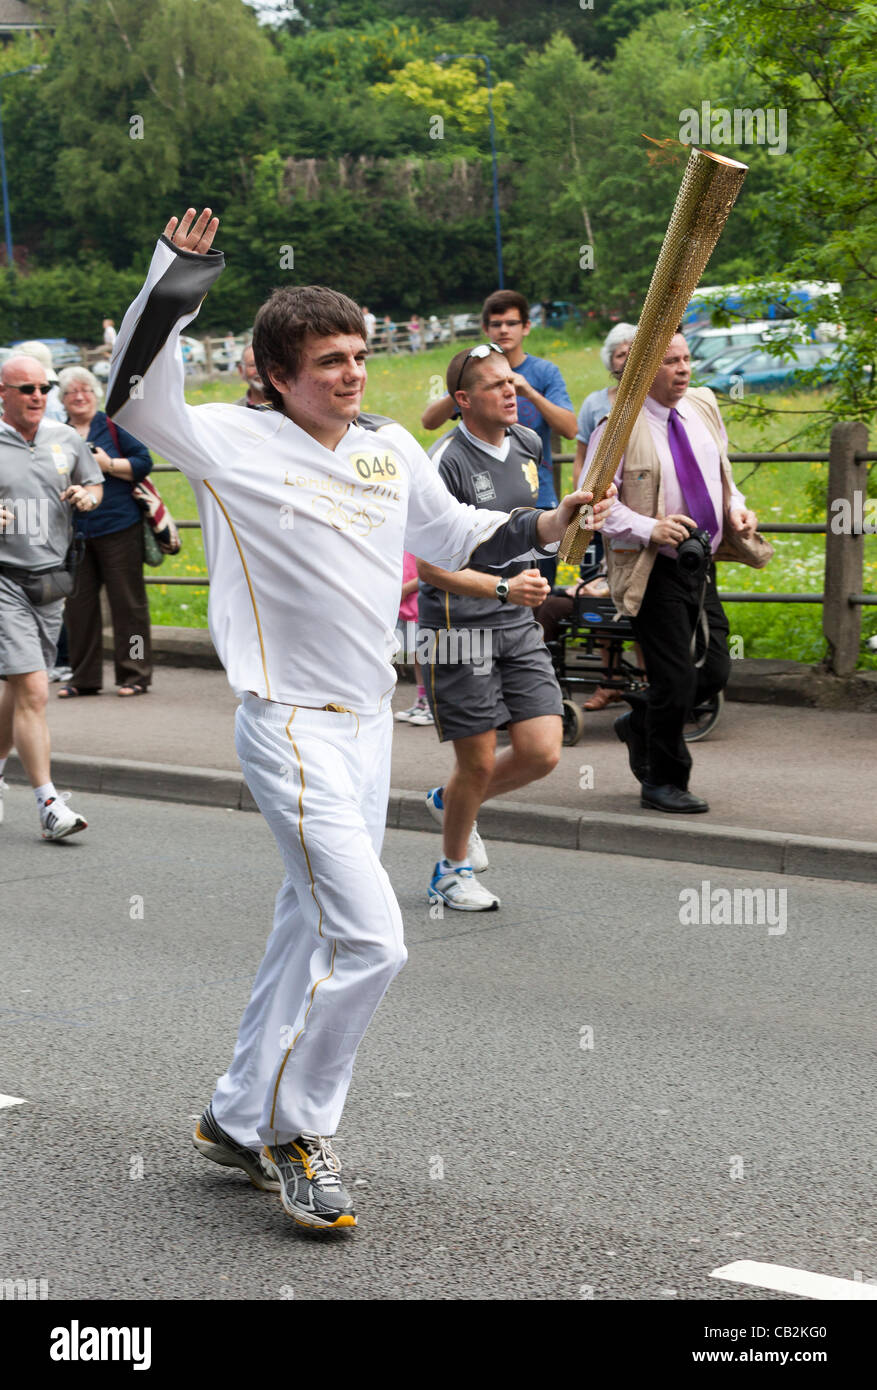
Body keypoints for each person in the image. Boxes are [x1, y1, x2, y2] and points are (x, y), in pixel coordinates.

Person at [107, 206, 608, 1231]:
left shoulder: (387, 448)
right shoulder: (221, 440)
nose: (351, 374)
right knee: (375, 940)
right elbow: (132, 380)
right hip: (285, 722)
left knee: (306, 927)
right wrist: (177, 272)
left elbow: (456, 527)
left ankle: (236, 1114)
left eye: (359, 355)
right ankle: (297, 1132)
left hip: (368, 719)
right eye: (328, 361)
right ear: (274, 373)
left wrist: (553, 521)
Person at [417, 342, 612, 911]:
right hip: (458, 623)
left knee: (542, 751)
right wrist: (502, 585)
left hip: (516, 617)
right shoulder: (444, 460)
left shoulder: (528, 443)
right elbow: (430, 565)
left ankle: (450, 801)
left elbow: (541, 524)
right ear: (463, 399)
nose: (511, 390)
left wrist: (579, 518)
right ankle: (450, 872)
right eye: (495, 384)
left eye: (513, 380)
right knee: (475, 761)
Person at [593, 331, 760, 814]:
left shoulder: (703, 406)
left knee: (714, 670)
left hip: (699, 563)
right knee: (675, 680)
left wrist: (737, 510)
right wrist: (650, 528)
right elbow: (597, 508)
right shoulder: (618, 427)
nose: (684, 369)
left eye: (687, 358)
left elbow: (722, 476)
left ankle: (640, 720)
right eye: (670, 361)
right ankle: (663, 781)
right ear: (644, 369)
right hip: (653, 570)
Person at [0, 355, 102, 838]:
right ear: (3, 393)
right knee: (36, 691)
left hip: (51, 581)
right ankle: (48, 805)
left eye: (45, 386)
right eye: (26, 388)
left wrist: (87, 496)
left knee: (18, 692)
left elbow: (94, 483)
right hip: (3, 582)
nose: (38, 395)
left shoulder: (65, 438)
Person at [421, 289, 578, 586]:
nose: (503, 330)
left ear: (526, 327)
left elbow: (570, 429)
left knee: (536, 590)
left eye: (511, 323)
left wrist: (527, 390)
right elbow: (428, 421)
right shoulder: (474, 372)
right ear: (485, 330)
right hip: (482, 506)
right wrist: (460, 387)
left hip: (536, 500)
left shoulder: (544, 372)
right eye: (496, 324)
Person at [56, 366, 154, 698]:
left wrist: (108, 464)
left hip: (118, 525)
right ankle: (83, 678)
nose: (79, 396)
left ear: (96, 394)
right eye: (71, 392)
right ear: (63, 400)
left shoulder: (112, 426)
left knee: (129, 606)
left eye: (85, 390)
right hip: (74, 533)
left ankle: (136, 674)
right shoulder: (57, 433)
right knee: (79, 608)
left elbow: (143, 461)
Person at [572, 322, 638, 712]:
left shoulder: (651, 400)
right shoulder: (596, 404)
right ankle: (609, 679)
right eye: (619, 352)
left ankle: (647, 679)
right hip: (597, 516)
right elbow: (582, 457)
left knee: (638, 596)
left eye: (633, 350)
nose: (626, 358)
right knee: (598, 597)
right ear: (609, 361)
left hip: (636, 517)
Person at [393, 550, 433, 725]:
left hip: (420, 603)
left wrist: (406, 588)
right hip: (406, 605)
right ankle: (422, 699)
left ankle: (434, 704)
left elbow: (431, 572)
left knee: (428, 656)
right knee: (417, 655)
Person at [234, 344, 268, 409]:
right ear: (241, 370)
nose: (260, 371)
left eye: (266, 363)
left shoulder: (291, 408)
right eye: (253, 365)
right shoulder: (235, 412)